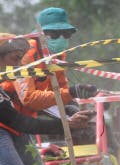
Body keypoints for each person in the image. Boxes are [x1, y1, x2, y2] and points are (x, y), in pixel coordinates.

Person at [0, 33, 92, 165]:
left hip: (16, 128)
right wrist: (66, 124)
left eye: (21, 59)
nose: (19, 64)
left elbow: (50, 98)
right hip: (8, 128)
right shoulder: (17, 73)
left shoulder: (47, 64)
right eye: (16, 59)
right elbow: (22, 118)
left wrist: (70, 109)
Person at [10, 7, 98, 144]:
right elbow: (28, 98)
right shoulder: (25, 54)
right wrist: (71, 92)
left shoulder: (57, 55)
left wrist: (71, 107)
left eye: (66, 34)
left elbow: (60, 86)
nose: (61, 39)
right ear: (41, 34)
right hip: (7, 115)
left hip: (23, 122)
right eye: (55, 35)